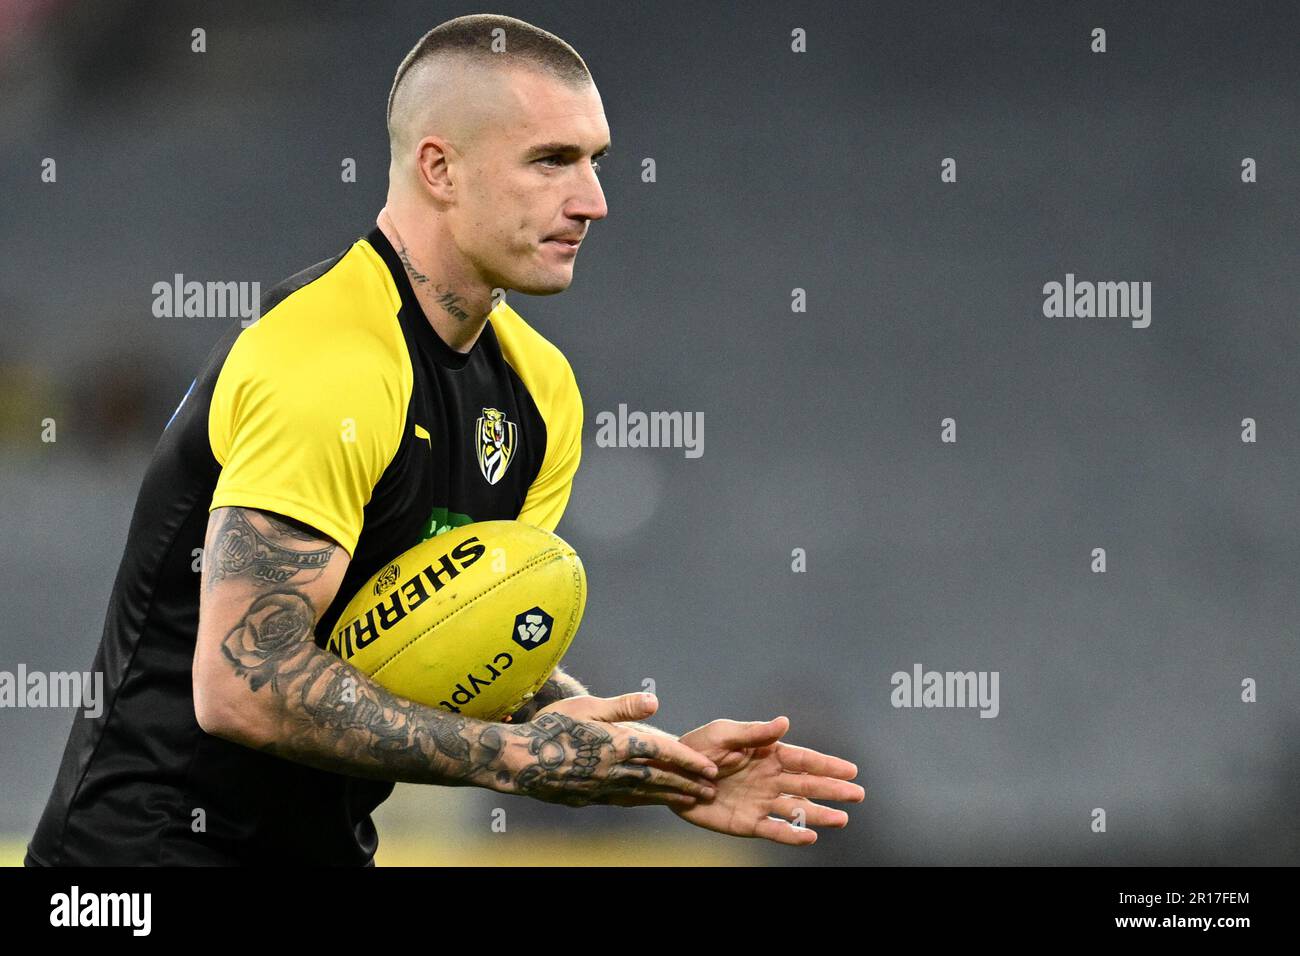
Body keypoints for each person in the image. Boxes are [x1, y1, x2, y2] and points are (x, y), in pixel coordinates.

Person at [26, 13, 863, 866]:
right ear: (439, 168)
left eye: (595, 162)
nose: (594, 202)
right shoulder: (327, 360)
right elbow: (242, 687)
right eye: (551, 161)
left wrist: (661, 769)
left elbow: (464, 646)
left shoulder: (541, 392)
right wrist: (517, 764)